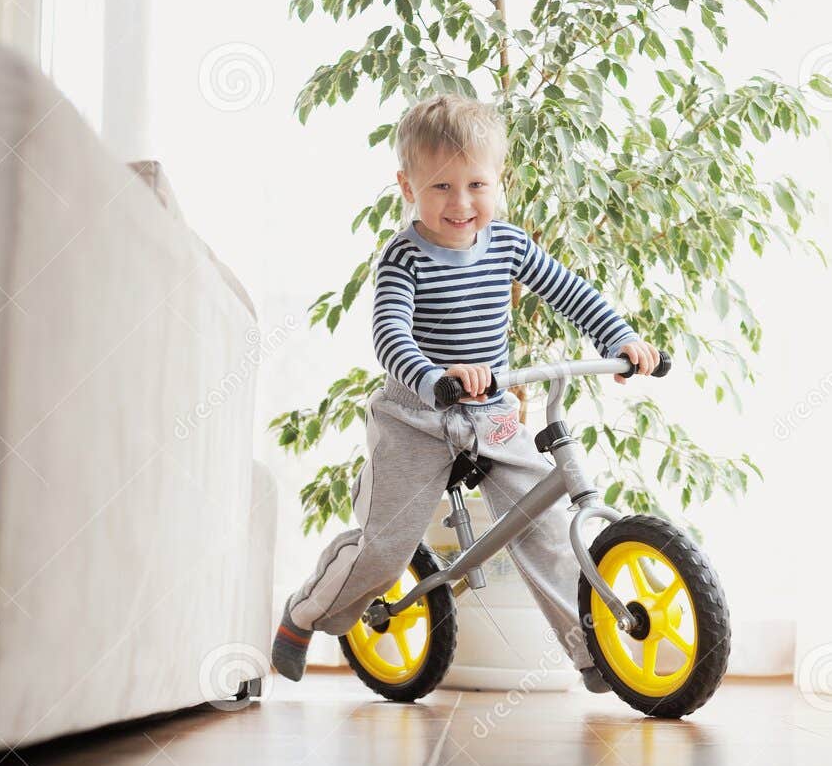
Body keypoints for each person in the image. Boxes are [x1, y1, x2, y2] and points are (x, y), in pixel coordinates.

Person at [271, 94, 660, 689]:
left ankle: (591, 653)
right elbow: (389, 336)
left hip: (493, 411)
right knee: (384, 549)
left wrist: (622, 338)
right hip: (415, 417)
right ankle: (305, 613)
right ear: (407, 186)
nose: (460, 203)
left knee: (548, 528)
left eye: (476, 184)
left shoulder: (507, 244)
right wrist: (434, 377)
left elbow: (572, 292)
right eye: (440, 187)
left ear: (498, 181)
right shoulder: (404, 256)